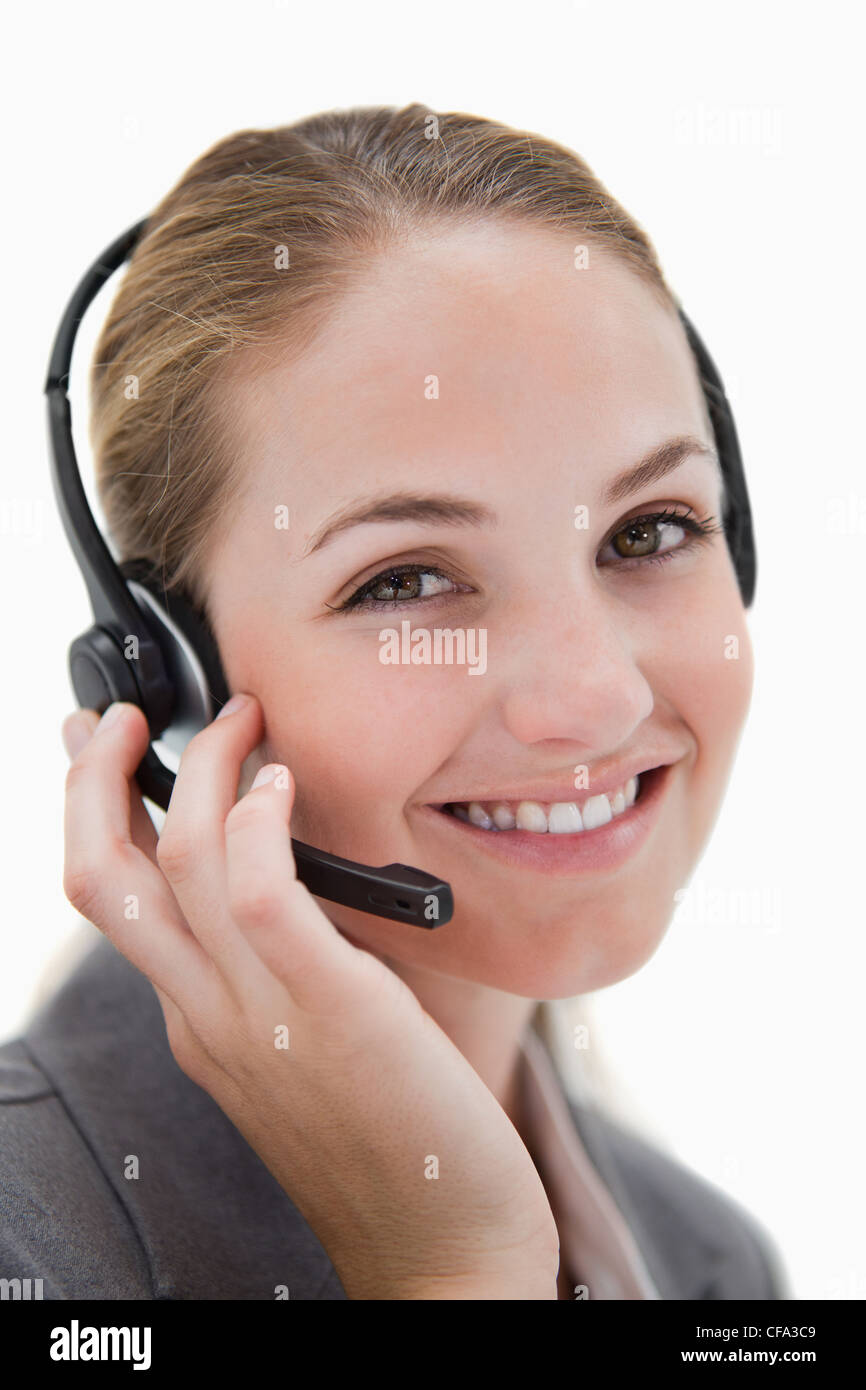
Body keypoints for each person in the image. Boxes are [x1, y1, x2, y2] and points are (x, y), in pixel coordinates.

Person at [0, 103, 789, 1300]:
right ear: (169, 676)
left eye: (649, 529)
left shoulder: (711, 1265)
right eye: (407, 581)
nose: (593, 696)